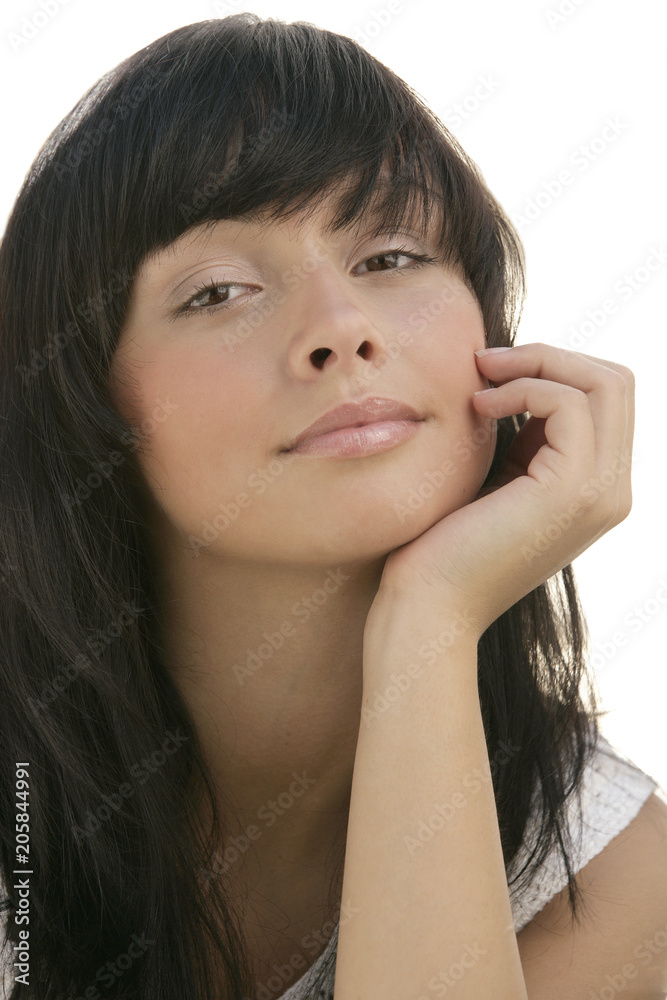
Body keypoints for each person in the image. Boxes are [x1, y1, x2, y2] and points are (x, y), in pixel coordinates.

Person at [0, 13, 665, 1000]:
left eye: (390, 257)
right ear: (85, 400)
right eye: (219, 289)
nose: (341, 329)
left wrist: (427, 627)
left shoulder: (610, 873)